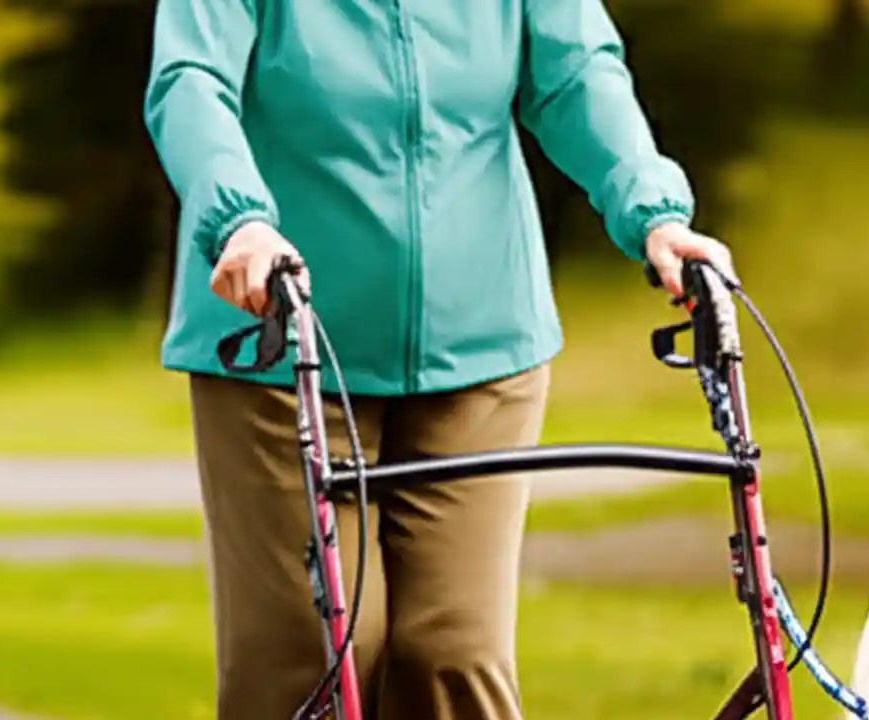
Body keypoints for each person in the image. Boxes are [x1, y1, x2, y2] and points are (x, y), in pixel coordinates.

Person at [143, 2, 735, 718]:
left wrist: (655, 211)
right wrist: (237, 219)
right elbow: (190, 80)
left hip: (480, 345)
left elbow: (575, 72)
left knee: (454, 653)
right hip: (278, 341)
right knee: (316, 652)